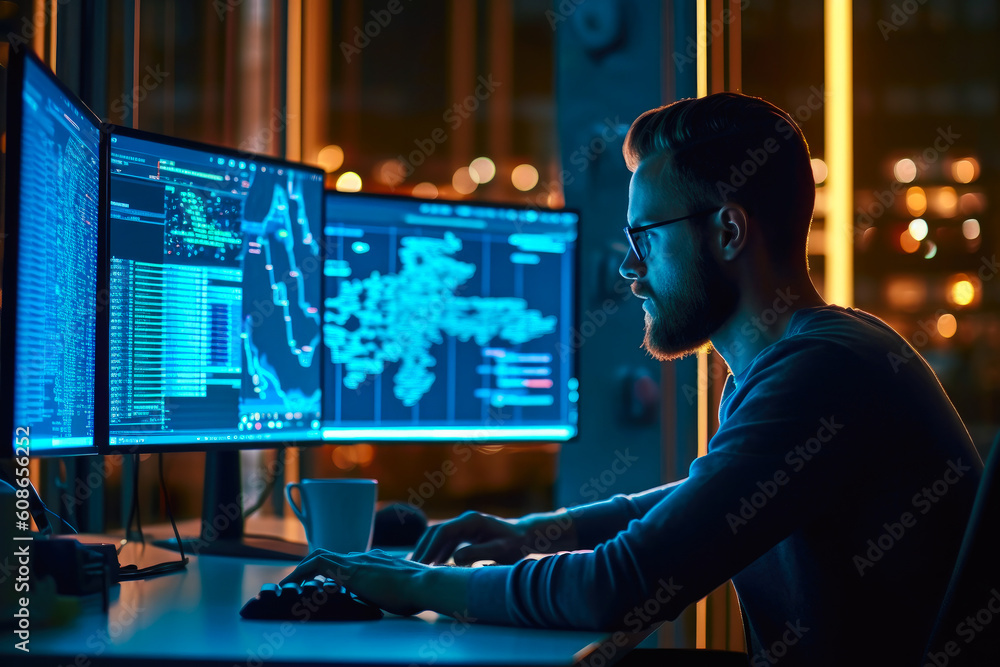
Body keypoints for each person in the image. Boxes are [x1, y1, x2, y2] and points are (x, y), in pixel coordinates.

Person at [282, 93, 983, 665]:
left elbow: (624, 585)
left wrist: (420, 582)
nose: (628, 270)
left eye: (645, 236)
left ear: (729, 232)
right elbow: (693, 500)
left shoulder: (822, 371)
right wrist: (534, 532)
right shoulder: (806, 356)